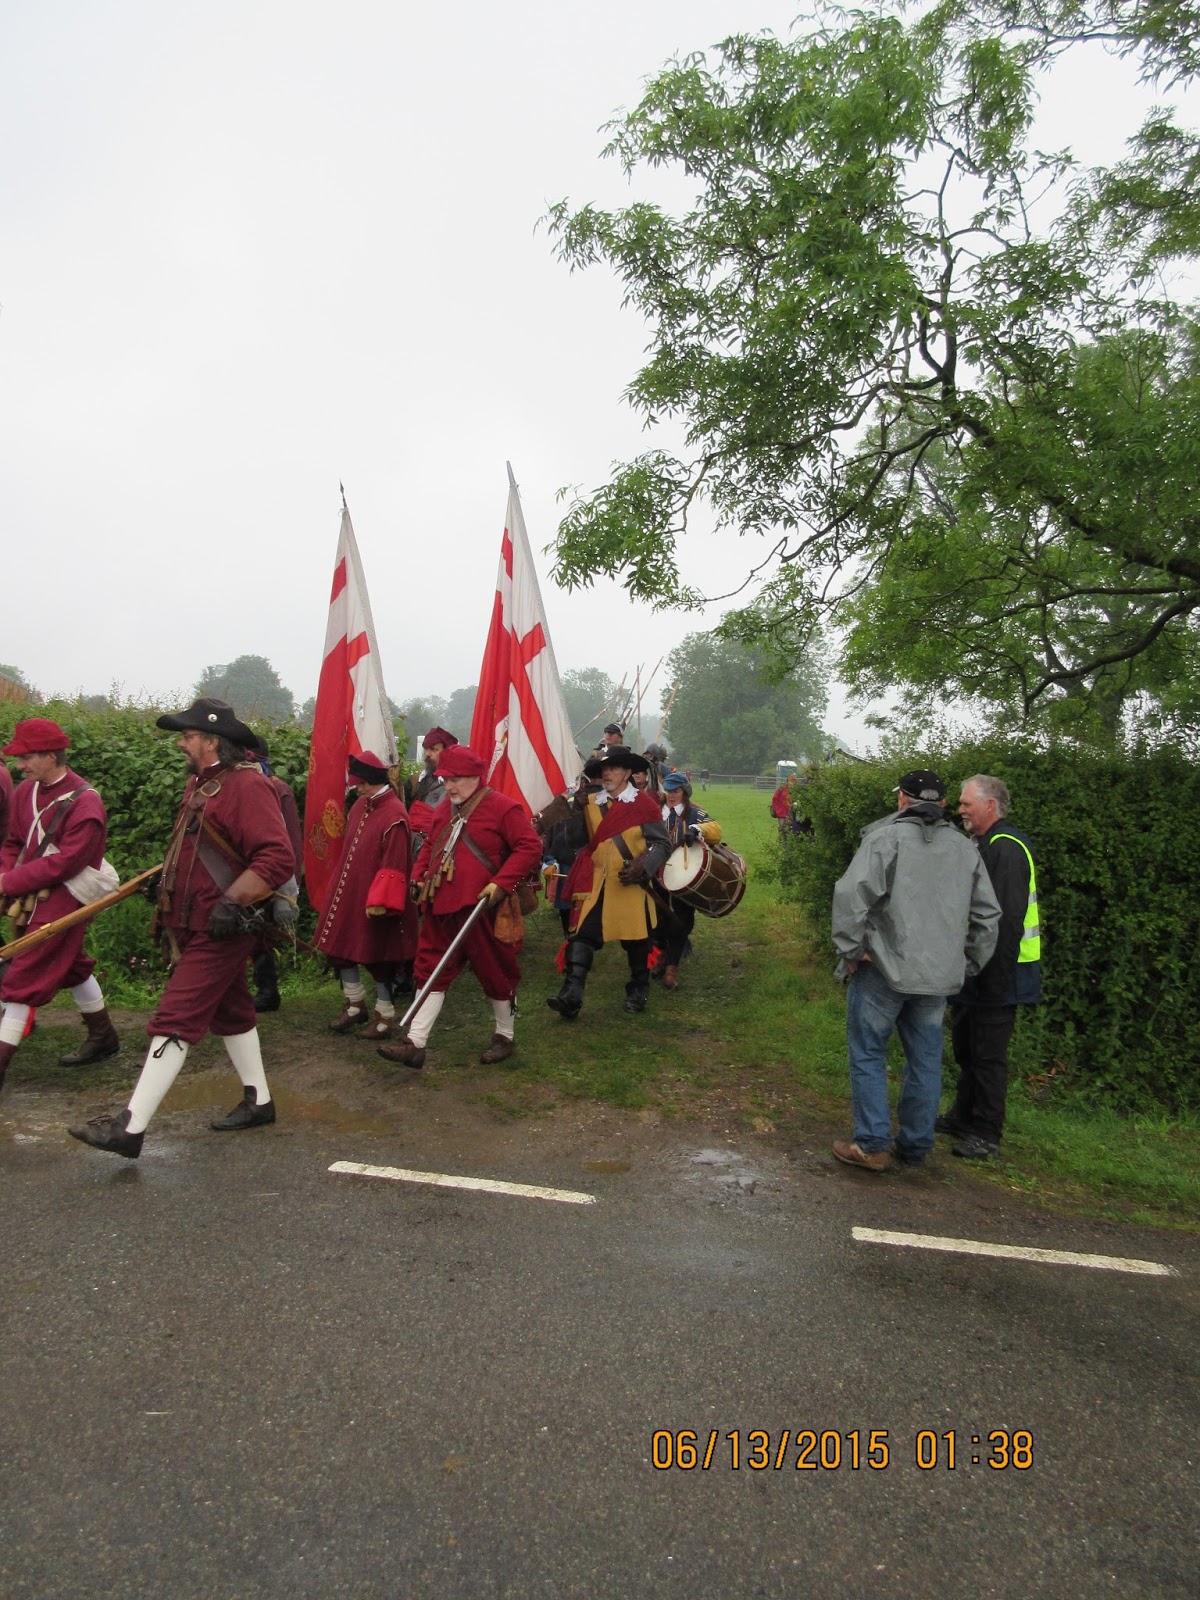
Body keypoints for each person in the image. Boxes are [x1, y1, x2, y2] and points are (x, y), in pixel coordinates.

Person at [68, 698, 296, 1159]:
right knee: (231, 1013)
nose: (181, 743)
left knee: (175, 1016)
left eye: (188, 736)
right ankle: (260, 1101)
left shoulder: (247, 787)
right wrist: (166, 880)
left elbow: (277, 857)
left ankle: (130, 1128)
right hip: (195, 920)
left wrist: (234, 902)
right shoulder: (203, 784)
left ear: (213, 742)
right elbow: (199, 853)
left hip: (224, 928)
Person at [829, 769, 1001, 1172]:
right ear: (942, 804)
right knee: (925, 1059)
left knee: (869, 1053)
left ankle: (872, 1144)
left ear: (902, 800)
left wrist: (852, 950)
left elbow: (850, 896)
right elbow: (988, 916)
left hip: (881, 972)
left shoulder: (884, 839)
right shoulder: (965, 848)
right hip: (937, 977)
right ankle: (916, 1146)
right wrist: (968, 961)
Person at [378, 744, 541, 1069]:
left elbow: (530, 847)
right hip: (441, 906)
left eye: (455, 779)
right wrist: (419, 875)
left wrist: (501, 883)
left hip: (482, 908)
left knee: (497, 972)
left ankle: (505, 1035)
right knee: (429, 969)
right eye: (445, 779)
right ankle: (415, 1042)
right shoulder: (444, 810)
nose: (448, 786)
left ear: (475, 777)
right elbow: (430, 848)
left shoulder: (503, 808)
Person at [0, 718, 120, 1088]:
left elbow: (68, 862)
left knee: (21, 977)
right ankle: (103, 1036)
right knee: (72, 964)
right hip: (31, 894)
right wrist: (6, 877)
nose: (20, 765)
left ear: (51, 756)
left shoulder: (86, 802)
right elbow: (13, 842)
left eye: (27, 757)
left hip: (69, 896)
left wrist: (9, 880)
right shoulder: (25, 791)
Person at [938, 774, 1042, 1160]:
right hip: (978, 967)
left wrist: (994, 979)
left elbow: (1007, 919)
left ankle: (986, 1131)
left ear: (991, 806)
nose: (960, 810)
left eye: (967, 804)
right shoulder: (986, 843)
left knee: (988, 1054)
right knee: (966, 1047)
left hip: (1002, 972)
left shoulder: (1007, 848)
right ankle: (963, 1116)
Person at [547, 746, 671, 1019]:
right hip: (596, 881)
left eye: (613, 768)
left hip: (629, 883)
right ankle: (571, 995)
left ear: (627, 773)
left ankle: (638, 991)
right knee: (581, 936)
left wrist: (644, 865)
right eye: (604, 769)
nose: (607, 773)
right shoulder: (591, 802)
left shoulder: (644, 804)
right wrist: (577, 812)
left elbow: (662, 844)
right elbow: (576, 842)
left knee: (636, 942)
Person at [314, 750, 418, 1041]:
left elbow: (395, 865)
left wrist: (383, 904)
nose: (357, 788)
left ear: (374, 780)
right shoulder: (361, 805)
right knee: (339, 947)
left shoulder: (395, 814)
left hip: (378, 899)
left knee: (378, 957)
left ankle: (385, 1015)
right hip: (349, 893)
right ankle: (355, 1004)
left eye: (362, 783)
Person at [244, 733, 303, 1014]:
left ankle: (268, 991)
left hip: (270, 876)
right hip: (245, 872)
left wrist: (286, 891)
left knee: (260, 935)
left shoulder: (279, 790)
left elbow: (290, 842)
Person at [652, 772, 722, 991]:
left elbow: (716, 830)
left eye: (676, 791)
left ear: (684, 792)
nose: (671, 795)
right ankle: (662, 953)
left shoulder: (693, 813)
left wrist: (696, 830)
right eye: (669, 791)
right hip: (655, 871)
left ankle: (672, 965)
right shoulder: (655, 811)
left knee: (681, 919)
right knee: (658, 917)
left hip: (684, 875)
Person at [770, 773, 796, 839]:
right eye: (791, 780)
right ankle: (782, 843)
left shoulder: (796, 790)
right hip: (781, 812)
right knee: (782, 828)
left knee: (790, 828)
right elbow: (775, 798)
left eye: (793, 781)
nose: (792, 782)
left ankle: (789, 843)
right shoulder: (782, 788)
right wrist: (777, 809)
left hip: (791, 813)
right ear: (787, 781)